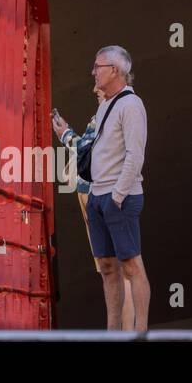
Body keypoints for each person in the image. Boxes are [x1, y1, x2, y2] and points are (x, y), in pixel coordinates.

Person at [80, 45, 150, 330]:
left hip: (119, 196)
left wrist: (117, 196)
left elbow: (135, 156)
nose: (93, 72)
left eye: (98, 66)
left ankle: (141, 330)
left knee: (132, 267)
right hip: (98, 194)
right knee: (108, 269)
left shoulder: (131, 105)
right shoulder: (106, 104)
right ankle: (113, 332)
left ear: (115, 70)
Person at [53, 87, 134, 330]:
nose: (95, 89)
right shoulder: (113, 112)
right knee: (114, 266)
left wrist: (65, 134)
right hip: (99, 192)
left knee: (119, 267)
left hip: (101, 193)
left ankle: (124, 331)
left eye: (99, 81)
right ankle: (120, 330)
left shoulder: (113, 112)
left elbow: (91, 150)